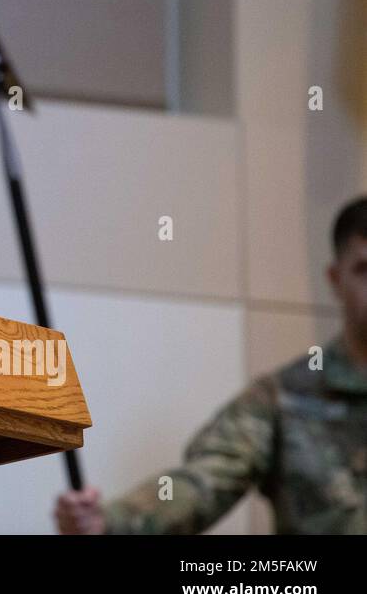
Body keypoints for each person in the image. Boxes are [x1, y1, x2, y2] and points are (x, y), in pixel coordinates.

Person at [55, 196, 367, 534]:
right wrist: (108, 522)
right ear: (336, 279)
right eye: (365, 270)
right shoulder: (284, 398)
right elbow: (202, 482)